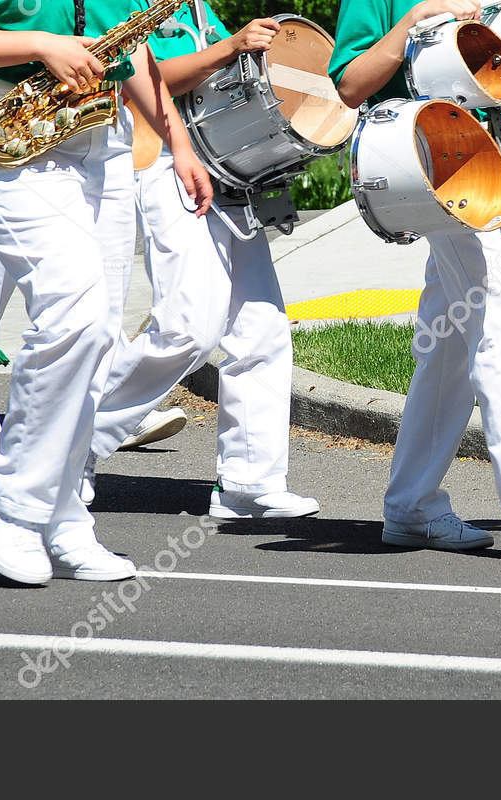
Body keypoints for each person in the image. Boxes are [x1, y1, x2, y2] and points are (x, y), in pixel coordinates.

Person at [0, 0, 214, 584]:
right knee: (73, 310)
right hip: (5, 127)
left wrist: (179, 144)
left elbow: (136, 47)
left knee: (98, 337)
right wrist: (41, 45)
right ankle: (11, 504)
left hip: (105, 138)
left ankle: (64, 515)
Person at [329, 0, 501, 557]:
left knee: (451, 347)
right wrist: (413, 22)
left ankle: (412, 506)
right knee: (499, 321)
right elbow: (349, 85)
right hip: (424, 162)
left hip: (477, 163)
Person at [84, 0, 320, 519]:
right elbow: (145, 77)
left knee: (262, 330)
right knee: (188, 326)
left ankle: (248, 483)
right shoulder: (132, 5)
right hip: (167, 160)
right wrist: (231, 46)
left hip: (228, 170)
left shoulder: (198, 8)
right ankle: (67, 444)